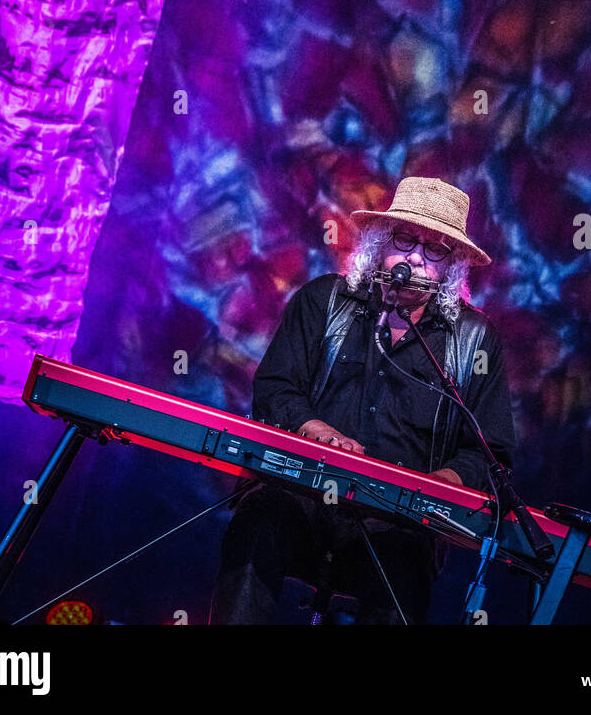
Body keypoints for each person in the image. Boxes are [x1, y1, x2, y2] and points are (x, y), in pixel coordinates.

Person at [208, 176, 516, 624]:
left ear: (452, 265)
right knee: (259, 519)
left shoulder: (475, 340)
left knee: (404, 564)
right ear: (380, 240)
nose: (414, 256)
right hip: (301, 493)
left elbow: (491, 452)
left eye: (434, 249)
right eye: (405, 238)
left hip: (397, 523)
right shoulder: (323, 300)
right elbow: (275, 388)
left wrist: (438, 484)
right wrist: (317, 431)